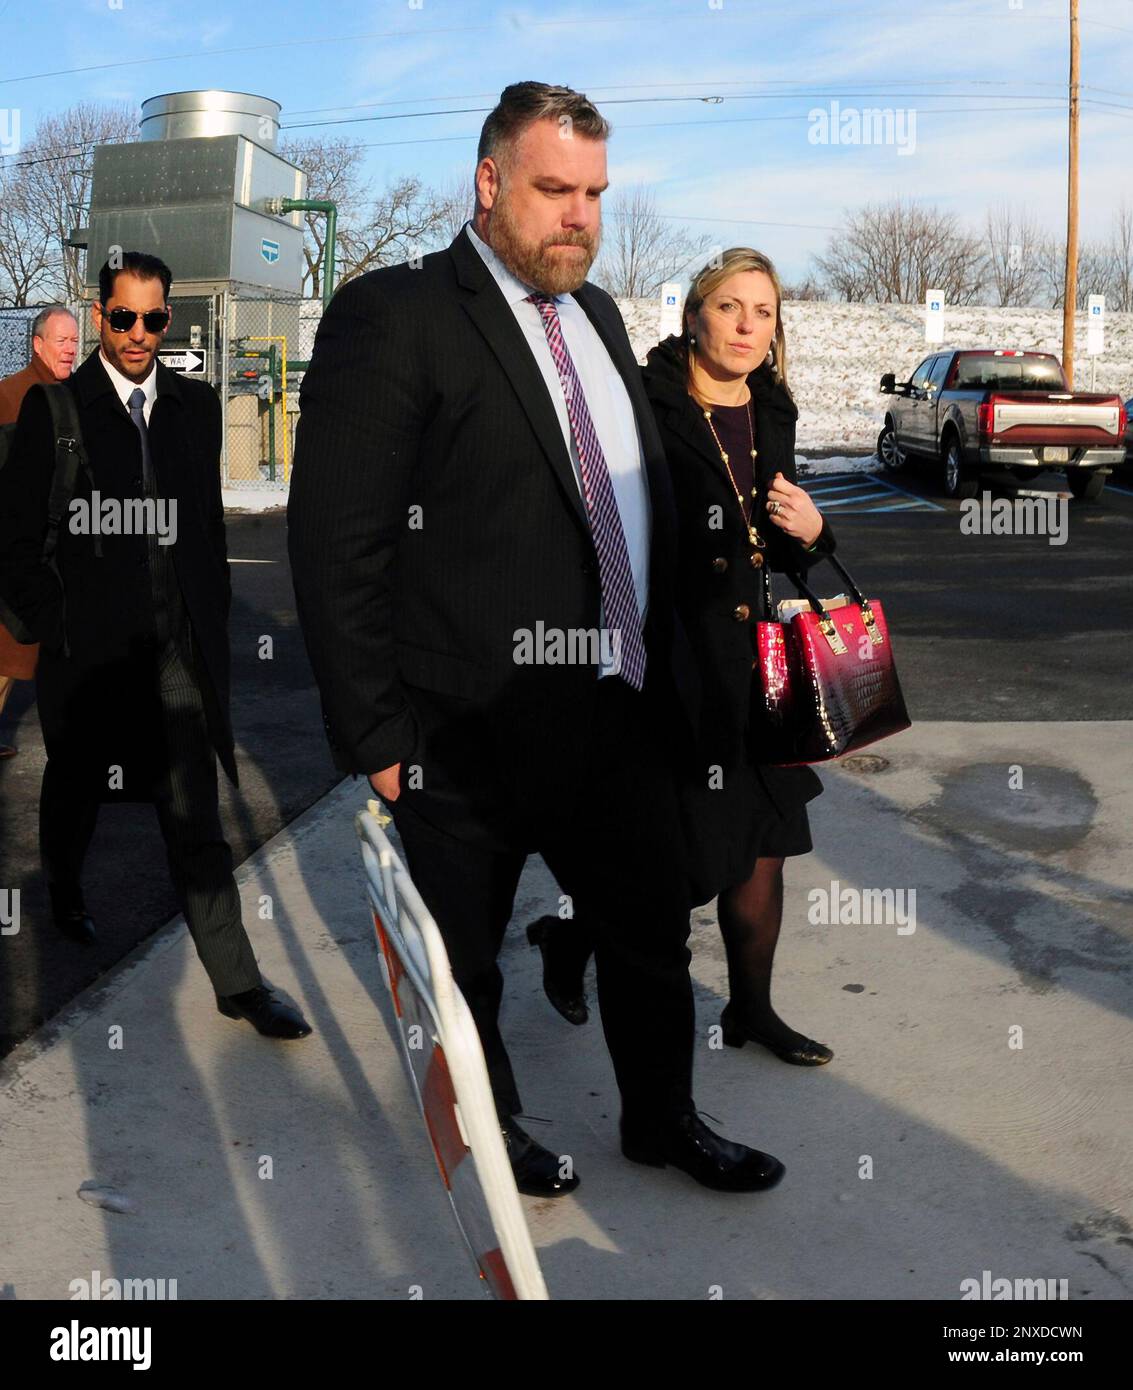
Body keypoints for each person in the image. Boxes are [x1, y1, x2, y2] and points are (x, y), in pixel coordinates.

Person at [289, 82, 784, 1196]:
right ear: (488, 182)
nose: (579, 217)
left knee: (650, 938)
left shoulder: (601, 318)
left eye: (595, 194)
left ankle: (660, 1117)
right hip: (464, 735)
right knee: (464, 968)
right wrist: (375, 734)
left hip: (615, 717)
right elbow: (335, 546)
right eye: (554, 190)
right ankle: (494, 1126)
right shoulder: (396, 314)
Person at [528, 248, 836, 1067]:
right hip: (673, 661)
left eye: (763, 312)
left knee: (766, 840)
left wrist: (813, 533)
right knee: (687, 855)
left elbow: (774, 540)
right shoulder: (646, 402)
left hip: (758, 663)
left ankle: (751, 1011)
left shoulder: (772, 408)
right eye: (729, 307)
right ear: (693, 314)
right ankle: (574, 937)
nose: (746, 326)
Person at [0, 251, 311, 1041]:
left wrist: (210, 612)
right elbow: (14, 539)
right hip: (93, 659)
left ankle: (236, 982)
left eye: (154, 319)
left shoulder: (196, 407)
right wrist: (51, 622)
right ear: (99, 313)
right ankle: (64, 891)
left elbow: (205, 522)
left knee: (193, 816)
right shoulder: (56, 411)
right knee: (75, 793)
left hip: (175, 655)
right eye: (122, 317)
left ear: (169, 319)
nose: (138, 334)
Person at [0, 306, 79, 758]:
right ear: (38, 344)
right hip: (16, 551)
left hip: (52, 549)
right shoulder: (13, 397)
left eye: (74, 341)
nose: (69, 348)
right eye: (60, 341)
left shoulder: (65, 395)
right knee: (9, 646)